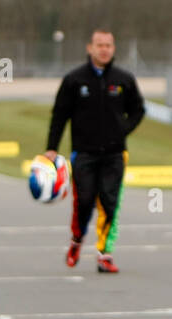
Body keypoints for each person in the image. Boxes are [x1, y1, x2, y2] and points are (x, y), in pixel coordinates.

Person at [46, 29, 145, 273]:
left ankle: (104, 253)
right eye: (99, 45)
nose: (104, 49)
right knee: (85, 202)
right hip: (84, 153)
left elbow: (138, 110)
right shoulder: (74, 80)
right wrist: (51, 148)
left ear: (113, 48)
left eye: (109, 45)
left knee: (110, 203)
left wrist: (123, 129)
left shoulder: (124, 79)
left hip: (114, 154)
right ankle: (77, 240)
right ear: (89, 48)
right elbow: (59, 115)